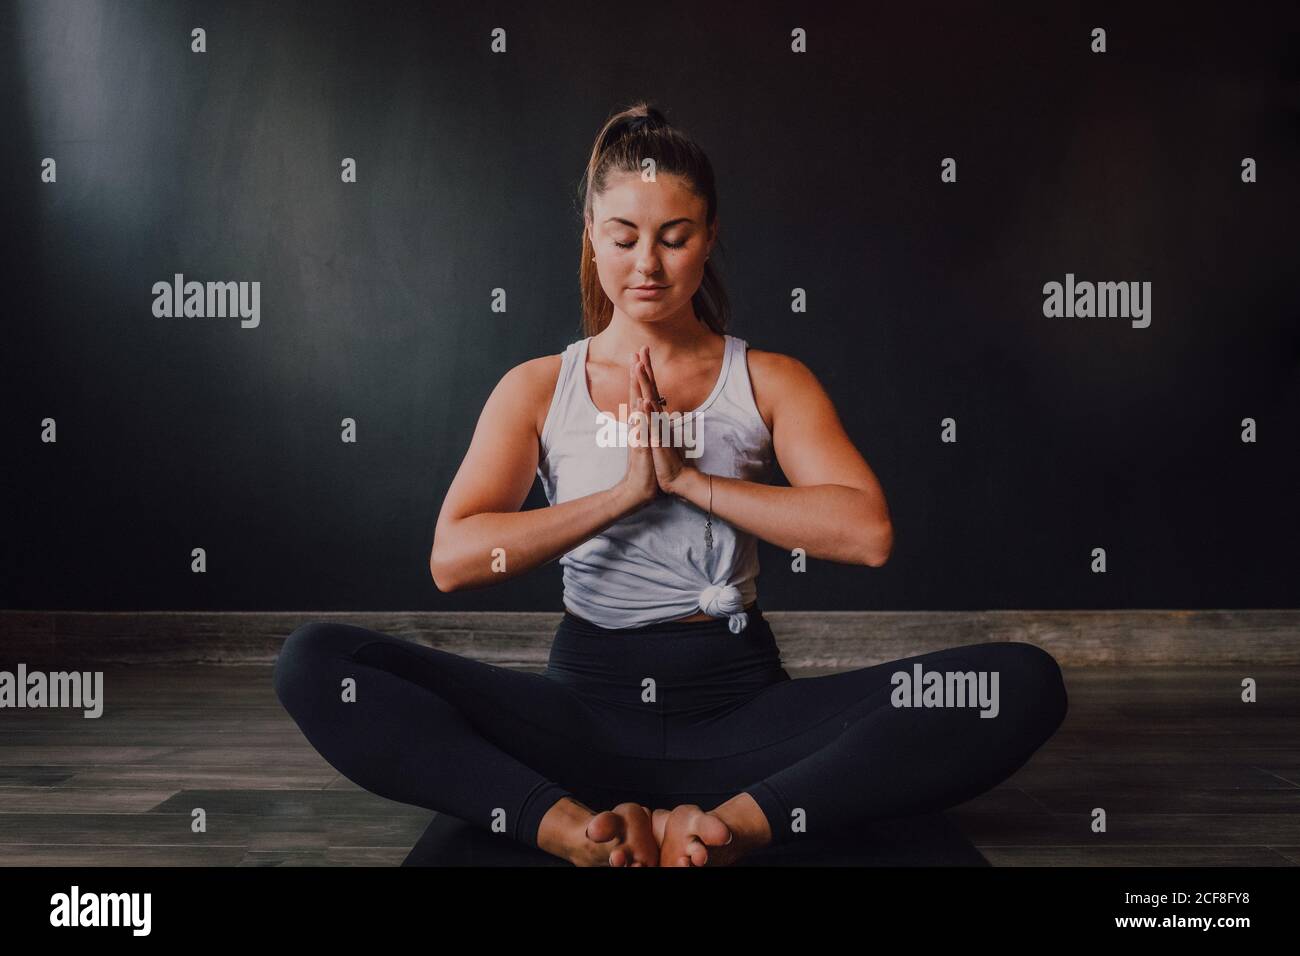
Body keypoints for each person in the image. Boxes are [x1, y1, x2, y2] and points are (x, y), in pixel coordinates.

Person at [273, 101, 1068, 867]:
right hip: (579, 718)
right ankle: (568, 829)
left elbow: (867, 535)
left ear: (710, 237)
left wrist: (691, 482)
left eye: (674, 237)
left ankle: (735, 828)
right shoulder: (539, 386)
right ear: (590, 238)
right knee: (316, 661)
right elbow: (453, 560)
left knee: (1019, 682)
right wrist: (622, 495)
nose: (646, 264)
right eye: (622, 237)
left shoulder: (769, 379)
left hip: (745, 717)